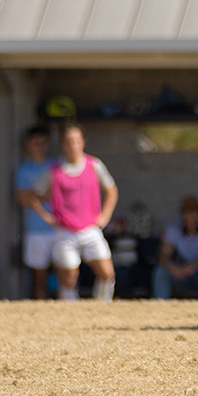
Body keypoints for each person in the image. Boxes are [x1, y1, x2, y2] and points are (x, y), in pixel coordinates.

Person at [30, 125, 119, 301]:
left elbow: (111, 190)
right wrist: (46, 216)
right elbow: (34, 195)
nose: (73, 145)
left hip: (90, 229)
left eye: (77, 141)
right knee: (69, 277)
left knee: (106, 273)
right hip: (66, 231)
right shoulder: (54, 170)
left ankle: (103, 306)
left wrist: (105, 215)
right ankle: (70, 308)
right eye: (69, 141)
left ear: (83, 142)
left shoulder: (94, 165)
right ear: (63, 144)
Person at [14, 126, 58, 300]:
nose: (39, 146)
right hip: (36, 228)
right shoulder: (23, 169)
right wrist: (43, 195)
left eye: (42, 142)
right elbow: (23, 198)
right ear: (28, 145)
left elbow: (59, 193)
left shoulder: (56, 166)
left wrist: (34, 193)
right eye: (35, 143)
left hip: (60, 227)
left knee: (65, 271)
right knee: (39, 276)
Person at [154, 196, 198, 300]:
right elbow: (163, 256)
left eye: (196, 213)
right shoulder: (173, 228)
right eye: (189, 213)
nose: (193, 217)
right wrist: (172, 267)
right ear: (182, 215)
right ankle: (159, 304)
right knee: (160, 271)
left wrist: (193, 266)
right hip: (179, 273)